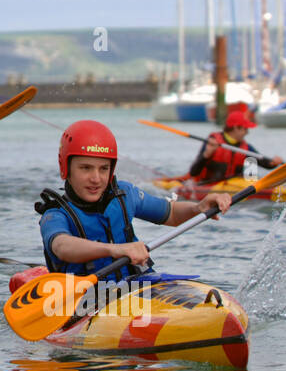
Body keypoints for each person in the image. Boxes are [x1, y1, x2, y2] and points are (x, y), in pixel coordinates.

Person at [35, 120, 231, 284]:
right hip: (86, 299)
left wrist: (199, 207)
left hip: (137, 286)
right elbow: (62, 246)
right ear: (66, 168)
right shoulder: (55, 214)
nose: (96, 178)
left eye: (103, 169)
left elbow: (170, 213)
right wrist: (115, 249)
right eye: (86, 168)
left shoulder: (125, 195)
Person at [187, 109, 284, 184]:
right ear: (236, 128)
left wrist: (273, 163)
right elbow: (193, 172)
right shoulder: (212, 142)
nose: (247, 132)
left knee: (252, 173)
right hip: (207, 185)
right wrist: (206, 154)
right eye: (245, 129)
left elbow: (263, 163)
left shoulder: (246, 148)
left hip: (234, 185)